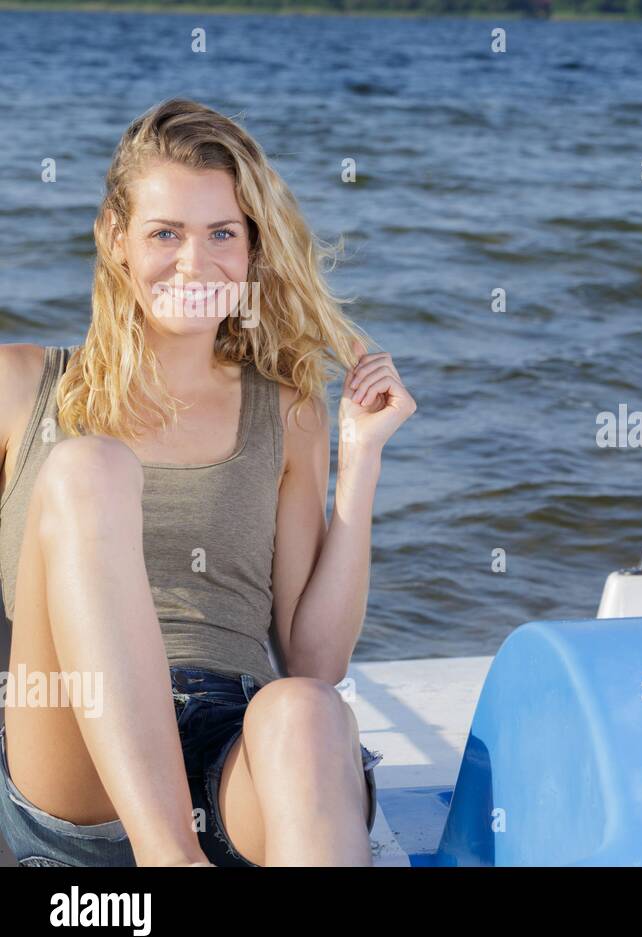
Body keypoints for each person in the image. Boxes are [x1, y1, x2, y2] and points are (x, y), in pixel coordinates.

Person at [0, 98, 417, 866]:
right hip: (72, 755)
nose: (195, 263)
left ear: (254, 249)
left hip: (229, 744)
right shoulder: (19, 388)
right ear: (115, 238)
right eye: (166, 233)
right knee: (89, 467)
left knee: (305, 711)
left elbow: (315, 663)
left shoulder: (286, 409)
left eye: (222, 233)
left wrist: (359, 467)